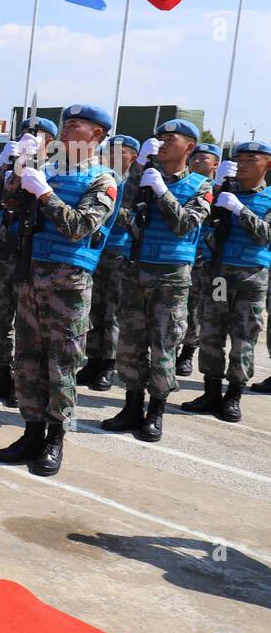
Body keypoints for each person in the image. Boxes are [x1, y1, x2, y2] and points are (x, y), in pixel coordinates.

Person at [0, 104, 120, 476]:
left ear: (96, 135)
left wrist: (46, 194)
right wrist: (20, 167)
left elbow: (80, 226)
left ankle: (54, 438)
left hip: (67, 283)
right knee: (28, 359)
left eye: (75, 125)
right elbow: (8, 202)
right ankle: (31, 431)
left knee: (61, 364)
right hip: (31, 276)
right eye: (65, 124)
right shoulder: (46, 168)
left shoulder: (103, 179)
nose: (66, 131)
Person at [101, 119, 212, 442]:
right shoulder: (144, 178)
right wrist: (136, 172)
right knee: (131, 342)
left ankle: (156, 412)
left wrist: (162, 193)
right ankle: (131, 406)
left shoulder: (201, 186)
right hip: (135, 268)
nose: (161, 143)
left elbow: (185, 225)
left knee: (164, 345)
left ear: (189, 147)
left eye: (170, 139)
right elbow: (117, 211)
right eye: (159, 138)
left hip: (171, 275)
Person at [181, 141, 271, 417]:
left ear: (267, 163)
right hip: (219, 276)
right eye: (239, 159)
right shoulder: (223, 193)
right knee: (213, 330)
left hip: (250, 279)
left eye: (250, 160)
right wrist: (218, 192)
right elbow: (201, 225)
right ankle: (210, 391)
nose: (242, 164)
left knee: (244, 336)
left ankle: (233, 395)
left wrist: (239, 210)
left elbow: (265, 235)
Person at [0, 116, 58, 407]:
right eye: (23, 134)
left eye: (34, 135)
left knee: (27, 322)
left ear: (49, 141)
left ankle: (22, 382)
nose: (27, 138)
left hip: (31, 252)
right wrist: (8, 166)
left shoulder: (58, 170)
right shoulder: (13, 165)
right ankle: (2, 374)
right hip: (2, 247)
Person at [79, 134, 140, 391]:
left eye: (121, 152)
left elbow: (135, 217)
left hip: (120, 252)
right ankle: (93, 359)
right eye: (110, 150)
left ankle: (108, 364)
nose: (113, 156)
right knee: (94, 308)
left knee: (113, 313)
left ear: (133, 157)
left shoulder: (138, 183)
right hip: (97, 251)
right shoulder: (100, 177)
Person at [177, 141, 221, 376]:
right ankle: (173, 349)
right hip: (184, 256)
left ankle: (188, 353)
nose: (196, 161)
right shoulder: (183, 186)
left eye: (203, 158)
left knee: (198, 308)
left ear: (215, 164)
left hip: (207, 260)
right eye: (194, 157)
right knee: (179, 308)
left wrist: (226, 186)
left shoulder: (220, 189)